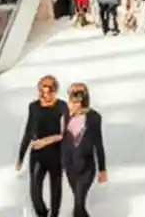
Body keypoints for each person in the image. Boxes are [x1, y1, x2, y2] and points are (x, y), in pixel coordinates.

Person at [17, 76, 69, 217]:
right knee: (34, 189)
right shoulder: (33, 106)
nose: (44, 93)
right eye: (42, 89)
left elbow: (64, 133)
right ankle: (42, 213)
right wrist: (21, 156)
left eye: (48, 89)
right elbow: (29, 130)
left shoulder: (62, 106)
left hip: (56, 152)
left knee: (56, 187)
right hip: (37, 153)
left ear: (54, 90)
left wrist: (45, 141)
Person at [62, 82, 108, 217]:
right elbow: (61, 140)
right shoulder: (64, 116)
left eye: (74, 100)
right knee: (78, 205)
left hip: (86, 168)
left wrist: (102, 169)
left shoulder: (93, 118)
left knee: (78, 205)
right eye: (70, 98)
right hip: (69, 167)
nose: (70, 103)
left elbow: (98, 144)